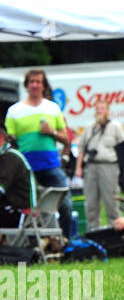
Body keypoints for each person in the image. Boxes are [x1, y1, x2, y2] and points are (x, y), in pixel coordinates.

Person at [3, 69, 75, 242]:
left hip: (50, 165)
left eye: (38, 82)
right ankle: (35, 244)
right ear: (27, 85)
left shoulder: (52, 108)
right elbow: (8, 141)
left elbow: (66, 140)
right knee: (29, 208)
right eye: (31, 82)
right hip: (25, 170)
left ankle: (67, 242)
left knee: (65, 204)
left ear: (44, 86)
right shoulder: (14, 111)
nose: (34, 85)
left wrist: (52, 133)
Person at [74, 100, 124, 228]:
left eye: (103, 109)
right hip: (91, 167)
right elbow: (81, 149)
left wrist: (123, 169)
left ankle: (115, 231)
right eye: (97, 109)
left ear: (108, 111)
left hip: (109, 166)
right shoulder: (89, 127)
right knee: (90, 203)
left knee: (111, 201)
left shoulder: (115, 126)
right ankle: (92, 233)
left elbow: (123, 148)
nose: (100, 111)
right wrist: (78, 167)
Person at [0, 125, 36, 232]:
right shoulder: (9, 154)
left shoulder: (10, 157)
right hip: (16, 208)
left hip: (20, 212)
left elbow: (1, 189)